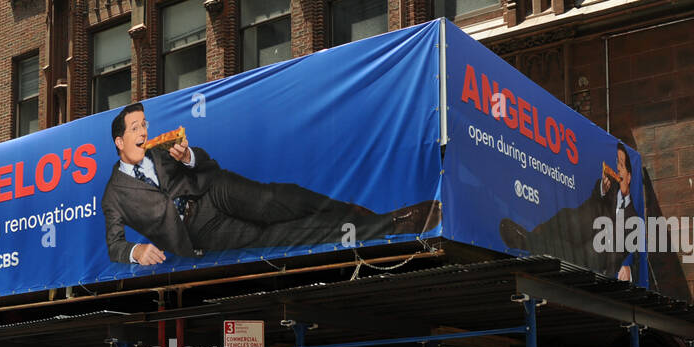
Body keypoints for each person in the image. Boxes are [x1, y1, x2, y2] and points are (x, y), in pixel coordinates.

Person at [101, 103, 440, 266]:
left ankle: (352, 212)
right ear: (119, 141)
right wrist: (136, 250)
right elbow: (114, 244)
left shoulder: (160, 149)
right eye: (135, 128)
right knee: (283, 234)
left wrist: (188, 156)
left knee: (276, 199)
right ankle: (391, 222)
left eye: (144, 124)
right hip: (200, 230)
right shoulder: (114, 195)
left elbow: (206, 164)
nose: (143, 132)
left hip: (214, 189)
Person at [498, 144, 645, 283]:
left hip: (600, 258)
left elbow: (639, 259)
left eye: (621, 164)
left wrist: (629, 270)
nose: (617, 168)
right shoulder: (611, 189)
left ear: (629, 176)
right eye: (617, 163)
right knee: (568, 218)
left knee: (580, 252)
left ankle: (526, 241)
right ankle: (533, 237)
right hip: (584, 232)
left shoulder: (634, 219)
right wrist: (602, 189)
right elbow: (593, 202)